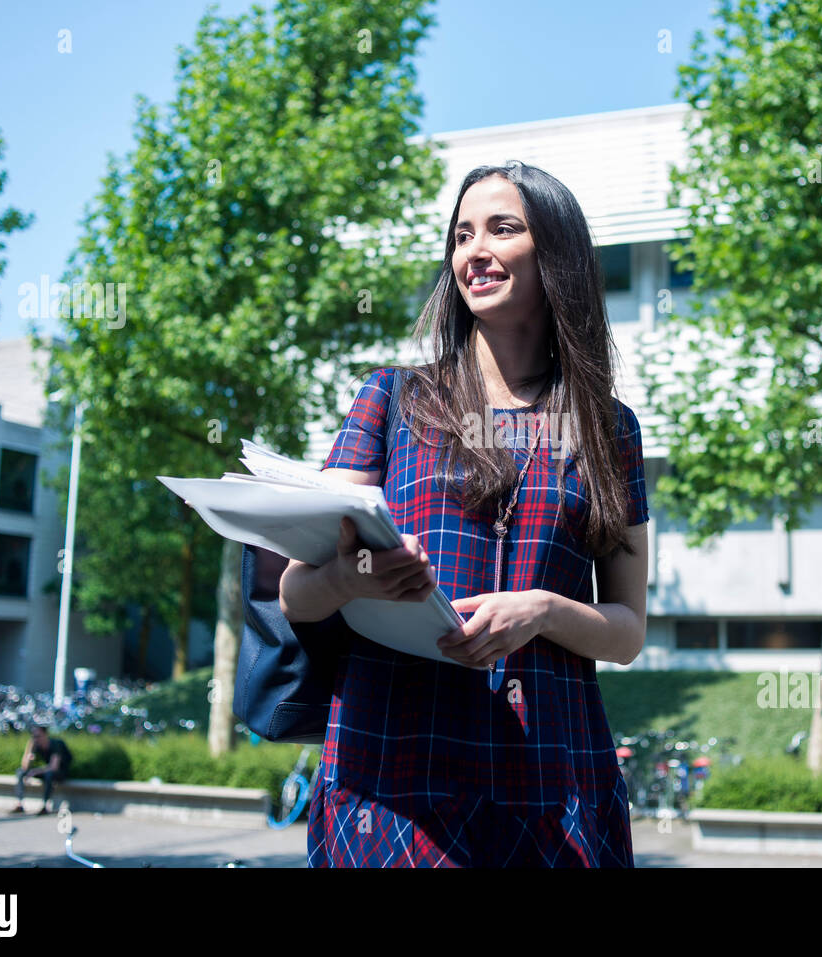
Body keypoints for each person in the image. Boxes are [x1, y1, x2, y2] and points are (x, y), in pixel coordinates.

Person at [279, 161, 649, 867]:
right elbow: (298, 591)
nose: (473, 251)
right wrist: (358, 574)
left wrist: (542, 610)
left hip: (549, 777)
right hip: (391, 772)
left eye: (502, 229)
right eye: (461, 235)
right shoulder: (390, 399)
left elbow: (627, 631)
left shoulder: (610, 427)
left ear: (556, 254)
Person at [9, 725, 72, 815]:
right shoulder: (35, 744)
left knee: (49, 774)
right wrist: (29, 747)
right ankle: (19, 804)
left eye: (38, 736)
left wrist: (35, 771)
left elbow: (54, 767)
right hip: (48, 770)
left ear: (45, 734)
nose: (36, 738)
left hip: (61, 772)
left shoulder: (56, 744)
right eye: (33, 736)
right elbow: (25, 767)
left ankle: (45, 806)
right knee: (20, 772)